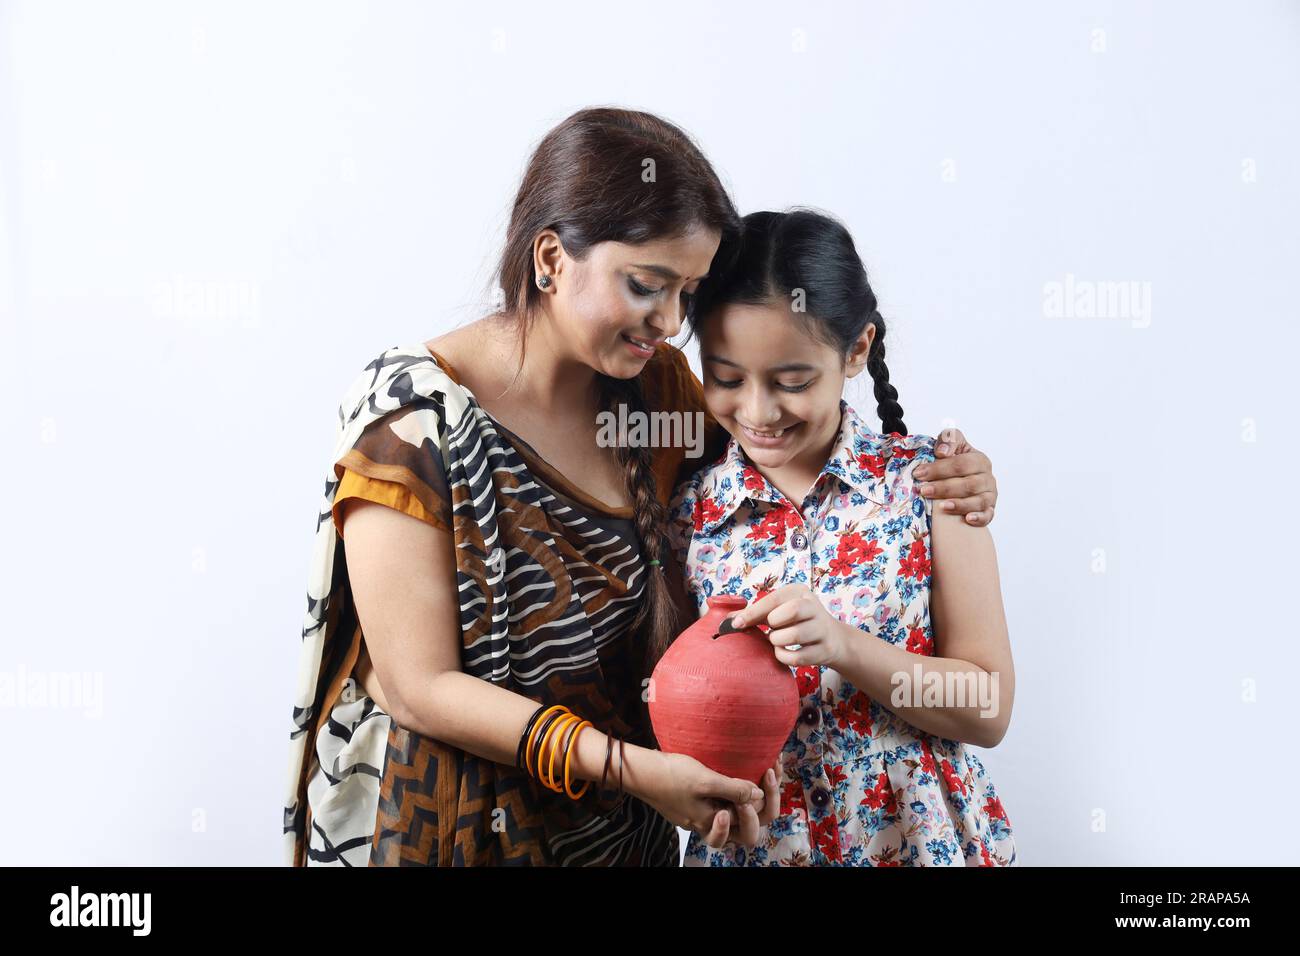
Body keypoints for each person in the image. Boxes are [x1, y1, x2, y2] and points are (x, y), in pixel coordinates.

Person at [283, 109, 1000, 866]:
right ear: (552, 258)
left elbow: (788, 465)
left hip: (617, 836)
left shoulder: (657, 394)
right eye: (647, 285)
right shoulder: (410, 420)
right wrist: (632, 768)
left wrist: (954, 476)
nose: (668, 320)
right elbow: (416, 686)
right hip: (447, 824)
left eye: (687, 293)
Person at [668, 209, 1016, 866]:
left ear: (856, 351)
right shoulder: (690, 514)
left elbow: (989, 706)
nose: (758, 411)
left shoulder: (932, 486)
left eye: (791, 381)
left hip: (910, 845)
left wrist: (844, 647)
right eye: (726, 377)